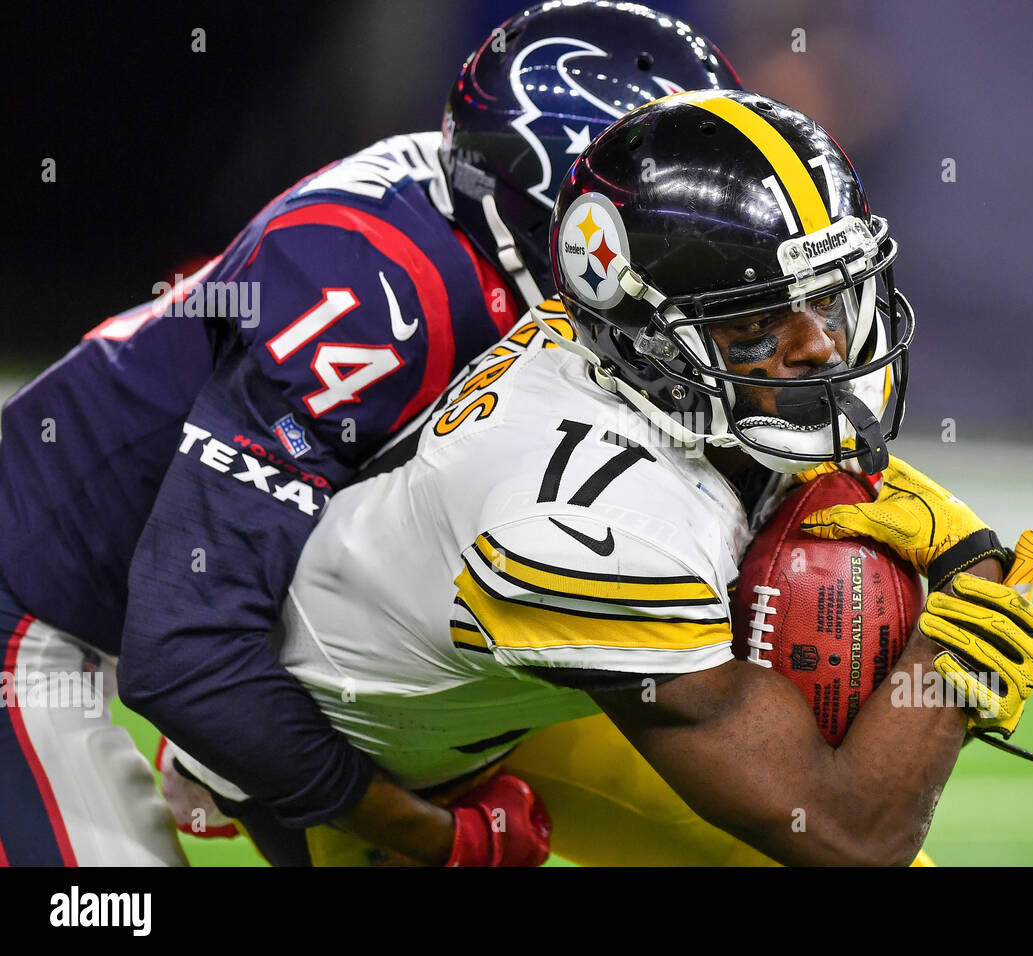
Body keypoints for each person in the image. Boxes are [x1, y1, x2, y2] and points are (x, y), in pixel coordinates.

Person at [204, 89, 1033, 866]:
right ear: (644, 340)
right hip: (362, 760)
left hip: (513, 691)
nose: (821, 348)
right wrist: (958, 631)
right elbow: (847, 834)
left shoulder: (641, 367)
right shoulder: (595, 519)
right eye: (759, 321)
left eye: (827, 298)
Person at [0, 1, 740, 866]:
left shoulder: (487, 230)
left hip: (210, 601)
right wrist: (438, 835)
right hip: (40, 608)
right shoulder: (378, 290)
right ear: (556, 194)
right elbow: (188, 654)